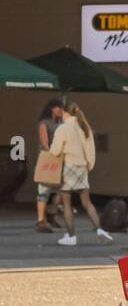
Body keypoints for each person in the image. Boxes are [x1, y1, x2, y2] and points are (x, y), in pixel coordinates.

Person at [51, 104, 111, 246]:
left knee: (66, 203)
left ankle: (71, 237)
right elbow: (90, 150)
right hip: (83, 167)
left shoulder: (63, 128)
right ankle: (101, 230)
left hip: (69, 167)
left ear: (66, 113)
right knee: (87, 202)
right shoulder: (84, 126)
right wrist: (89, 165)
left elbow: (55, 151)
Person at [35, 97, 65, 232]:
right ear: (51, 108)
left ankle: (51, 215)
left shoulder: (63, 124)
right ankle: (41, 220)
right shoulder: (44, 123)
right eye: (58, 107)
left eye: (62, 107)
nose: (60, 110)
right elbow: (44, 143)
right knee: (44, 190)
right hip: (48, 160)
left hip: (60, 160)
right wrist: (53, 154)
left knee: (60, 191)